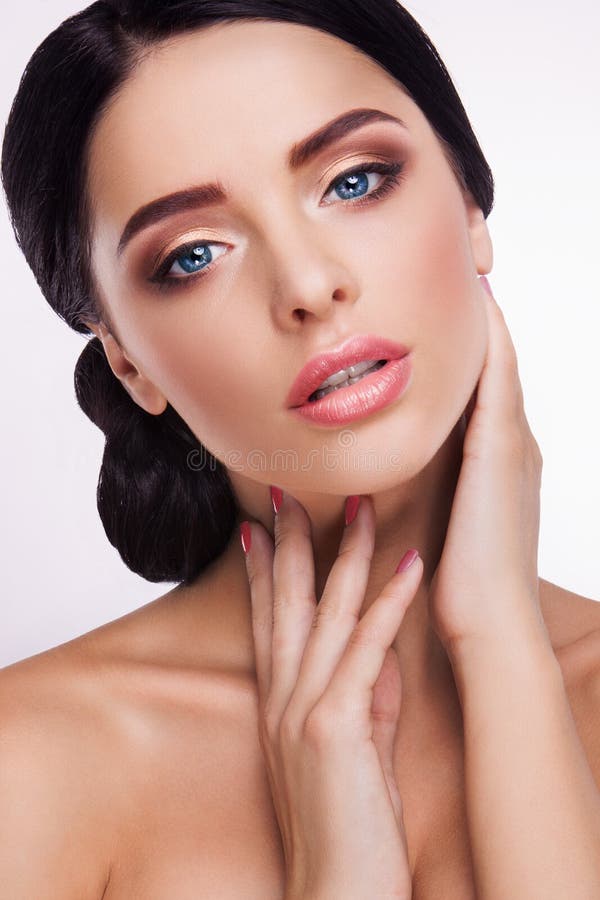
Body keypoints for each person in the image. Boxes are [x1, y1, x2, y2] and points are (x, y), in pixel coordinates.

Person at [1, 1, 600, 897]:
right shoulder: (32, 763)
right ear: (128, 363)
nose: (309, 285)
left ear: (470, 202)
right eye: (195, 254)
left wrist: (504, 655)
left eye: (354, 181)